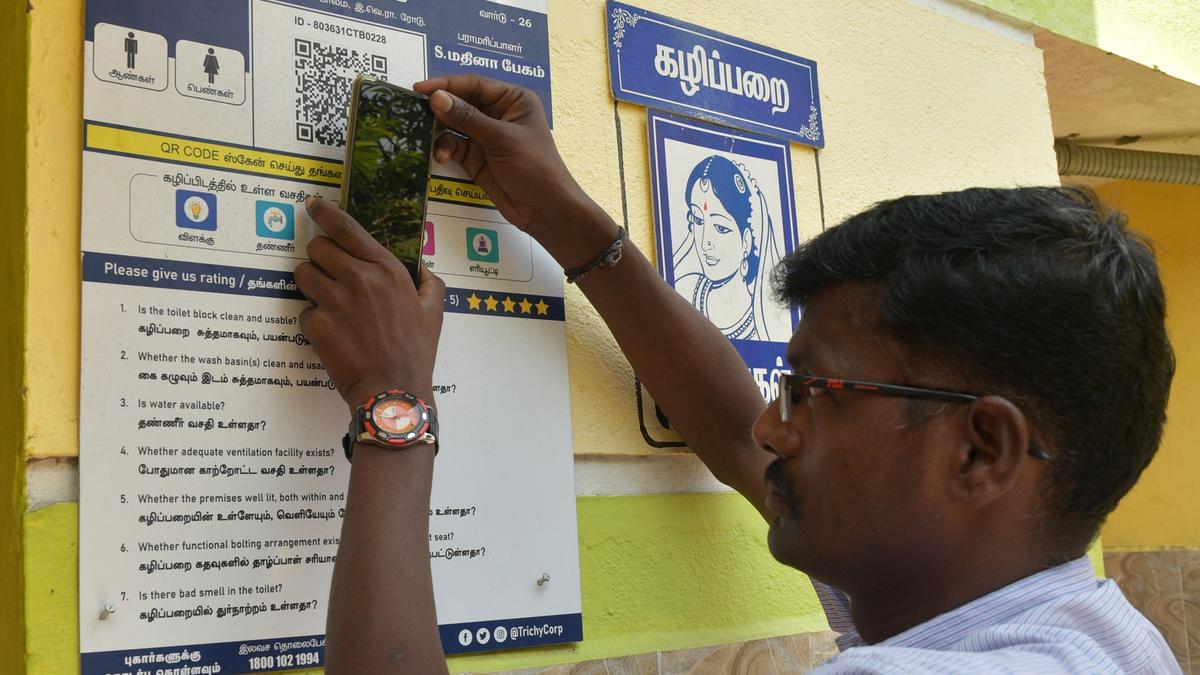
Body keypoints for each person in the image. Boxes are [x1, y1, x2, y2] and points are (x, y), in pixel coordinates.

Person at [294, 74, 1179, 673]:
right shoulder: (1087, 628)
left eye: (811, 395)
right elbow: (726, 430)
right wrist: (563, 217)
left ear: (981, 449)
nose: (773, 425)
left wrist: (392, 406)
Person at [673, 154, 783, 341]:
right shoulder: (685, 291)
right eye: (698, 220)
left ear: (746, 241)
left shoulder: (768, 322)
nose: (705, 241)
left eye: (720, 228)